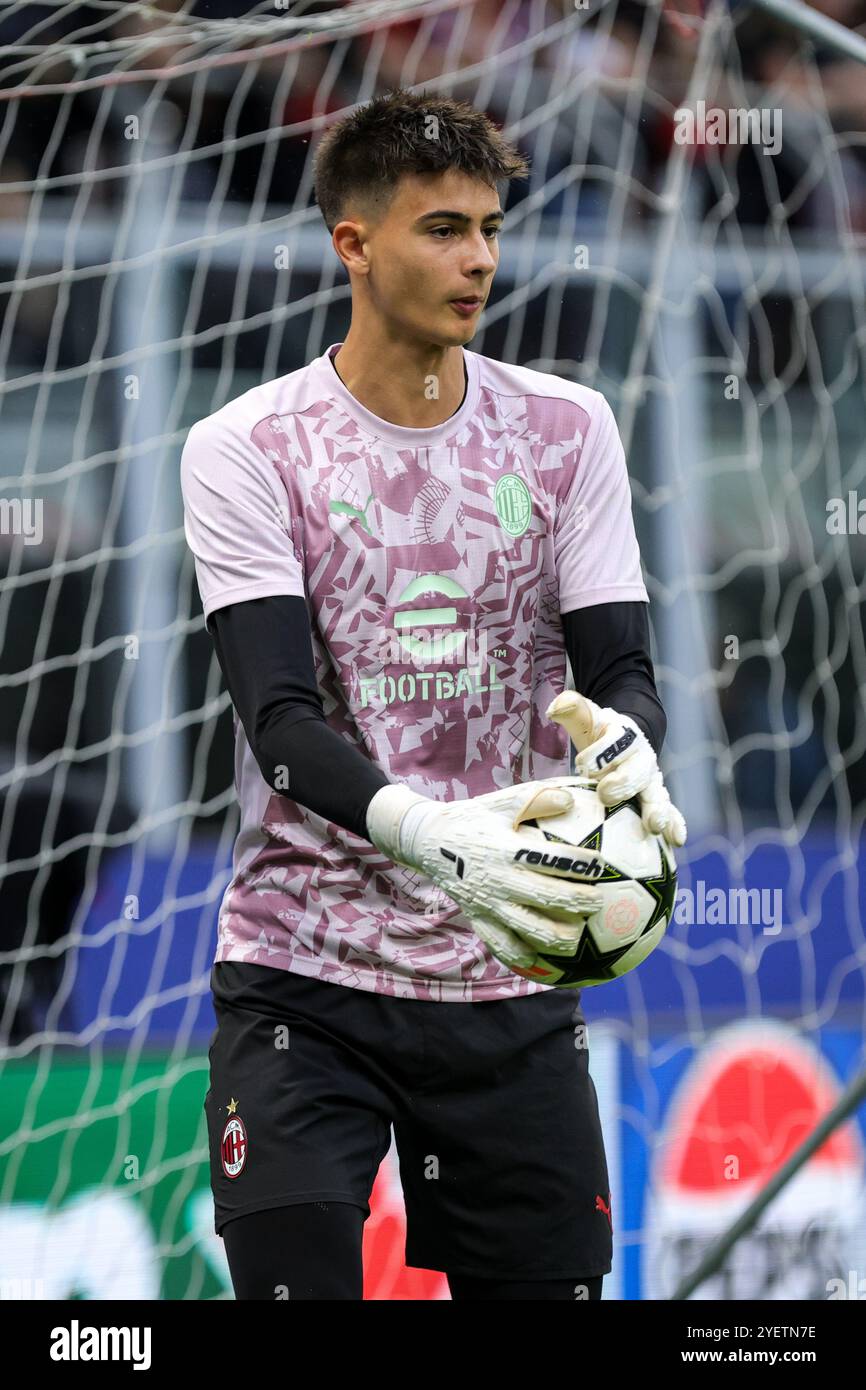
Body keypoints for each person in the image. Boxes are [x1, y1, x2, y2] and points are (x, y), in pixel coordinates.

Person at [180, 88, 685, 1302]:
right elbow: (281, 728)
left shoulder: (568, 430)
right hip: (308, 976)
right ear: (352, 242)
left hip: (510, 966)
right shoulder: (246, 446)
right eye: (442, 229)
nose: (478, 262)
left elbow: (619, 679)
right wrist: (434, 832)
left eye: (491, 229)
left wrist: (626, 751)